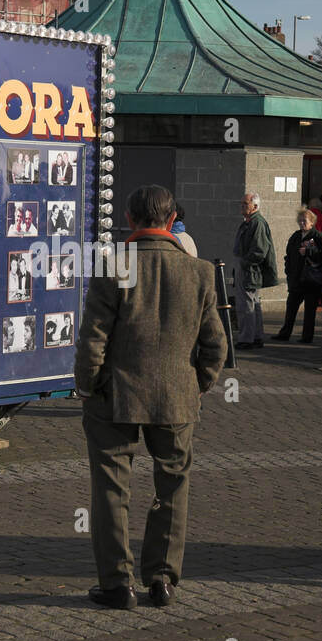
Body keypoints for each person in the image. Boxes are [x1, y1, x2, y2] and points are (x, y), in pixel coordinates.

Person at [75, 184, 228, 609]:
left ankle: (117, 584)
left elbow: (93, 340)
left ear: (130, 219)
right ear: (170, 219)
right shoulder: (199, 272)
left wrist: (87, 385)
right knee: (173, 487)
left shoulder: (114, 266)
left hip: (115, 395)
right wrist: (197, 383)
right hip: (176, 396)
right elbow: (217, 345)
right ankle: (161, 580)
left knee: (111, 489)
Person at [274, 207, 322, 343]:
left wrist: (309, 252)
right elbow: (288, 255)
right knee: (291, 307)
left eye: (304, 220)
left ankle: (307, 337)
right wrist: (288, 271)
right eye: (300, 220)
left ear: (312, 222)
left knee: (310, 311)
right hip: (297, 279)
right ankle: (285, 333)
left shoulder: (318, 236)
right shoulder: (295, 236)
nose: (302, 223)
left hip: (312, 281)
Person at [232, 192, 276, 350]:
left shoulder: (257, 223)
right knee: (253, 303)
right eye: (242, 203)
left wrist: (244, 263)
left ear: (255, 206)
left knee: (247, 305)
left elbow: (259, 250)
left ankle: (247, 339)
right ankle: (256, 337)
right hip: (249, 268)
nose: (242, 206)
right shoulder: (249, 222)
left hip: (250, 270)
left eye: (245, 203)